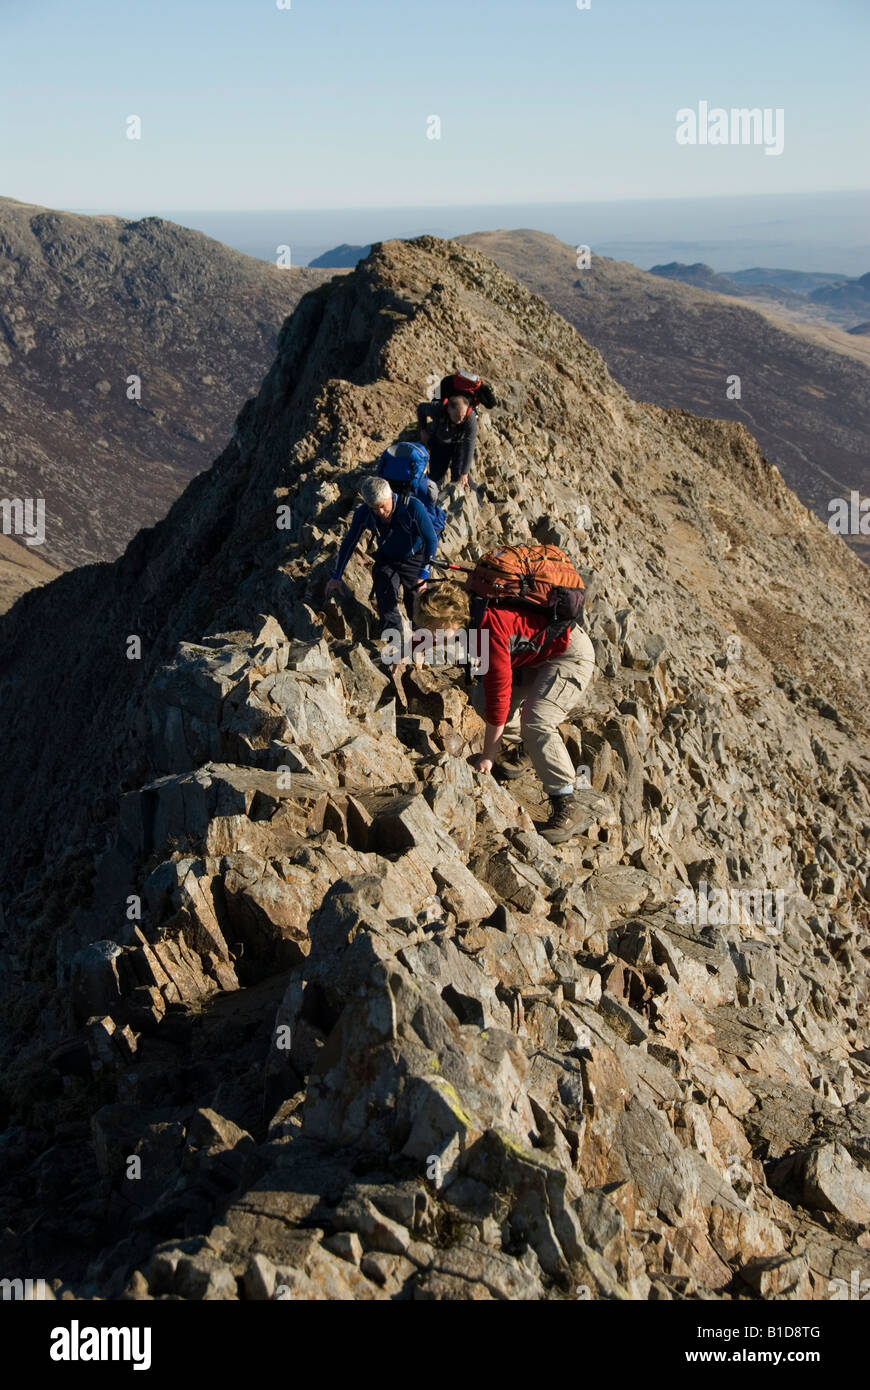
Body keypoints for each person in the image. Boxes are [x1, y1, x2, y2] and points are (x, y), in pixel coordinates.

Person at [413, 581, 596, 843]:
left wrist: (488, 756)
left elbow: (501, 697)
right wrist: (407, 650)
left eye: (433, 628)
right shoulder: (469, 614)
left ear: (449, 621)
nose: (430, 635)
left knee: (536, 720)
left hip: (569, 654)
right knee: (481, 699)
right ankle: (529, 749)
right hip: (535, 655)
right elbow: (492, 695)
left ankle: (566, 800)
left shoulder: (488, 628)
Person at [326, 475, 438, 663]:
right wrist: (336, 576)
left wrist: (423, 575)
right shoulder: (364, 513)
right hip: (387, 558)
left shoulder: (412, 507)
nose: (380, 512)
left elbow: (431, 540)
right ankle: (394, 645)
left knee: (416, 603)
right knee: (385, 598)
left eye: (383, 506)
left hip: (414, 558)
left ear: (390, 495)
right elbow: (349, 542)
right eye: (374, 508)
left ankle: (419, 647)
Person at [417, 393, 479, 491]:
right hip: (441, 442)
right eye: (457, 416)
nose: (461, 419)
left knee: (459, 475)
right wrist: (423, 430)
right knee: (436, 476)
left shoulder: (470, 418)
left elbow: (470, 444)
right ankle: (431, 500)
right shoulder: (437, 409)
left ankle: (476, 499)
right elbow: (420, 408)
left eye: (463, 416)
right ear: (449, 409)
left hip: (460, 443)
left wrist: (465, 472)